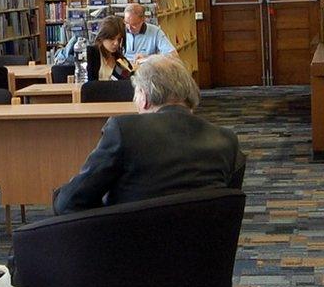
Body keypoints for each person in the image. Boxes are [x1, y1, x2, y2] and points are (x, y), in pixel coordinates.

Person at [52, 55, 245, 212]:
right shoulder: (227, 141)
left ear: (144, 97)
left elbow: (69, 203)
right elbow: (227, 208)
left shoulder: (124, 131)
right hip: (202, 253)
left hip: (131, 250)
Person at [84, 15, 135, 82]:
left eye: (119, 39)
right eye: (112, 38)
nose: (116, 43)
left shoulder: (118, 57)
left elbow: (129, 80)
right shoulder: (92, 53)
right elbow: (89, 83)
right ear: (102, 37)